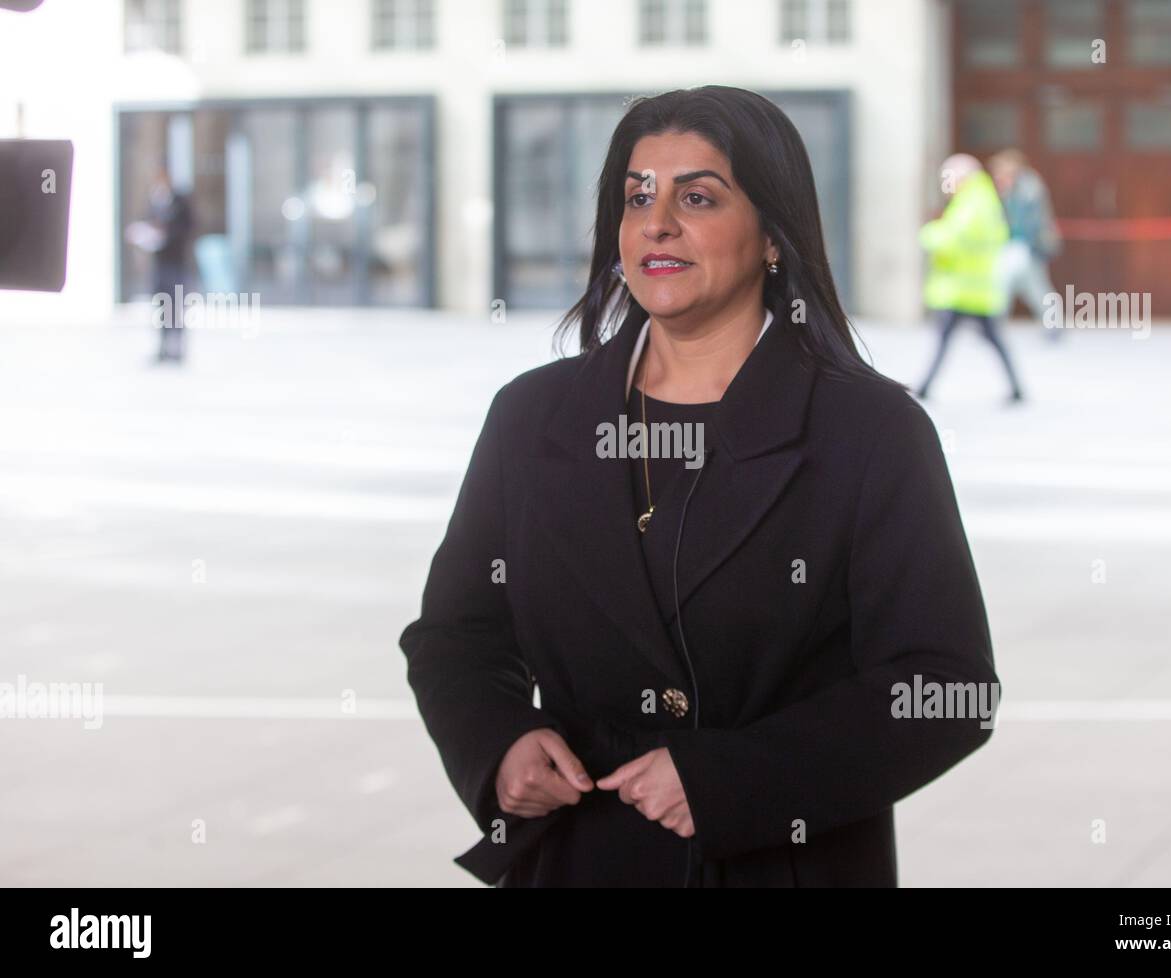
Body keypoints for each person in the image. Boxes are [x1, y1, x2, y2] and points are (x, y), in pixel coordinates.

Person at [399, 86, 1000, 888]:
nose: (657, 223)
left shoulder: (869, 431)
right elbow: (456, 637)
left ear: (773, 235)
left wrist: (731, 779)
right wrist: (498, 743)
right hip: (578, 864)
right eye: (637, 195)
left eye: (699, 197)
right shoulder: (532, 418)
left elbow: (948, 687)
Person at [914, 153, 1025, 404]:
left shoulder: (973, 202)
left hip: (963, 288)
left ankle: (925, 386)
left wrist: (929, 234)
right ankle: (1016, 388)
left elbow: (954, 237)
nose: (946, 186)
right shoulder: (980, 198)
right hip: (973, 289)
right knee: (987, 340)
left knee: (949, 340)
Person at [988, 148, 1063, 343]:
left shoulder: (1029, 188)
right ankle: (994, 325)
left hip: (1029, 246)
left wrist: (1028, 244)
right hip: (1011, 247)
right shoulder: (1004, 189)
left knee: (1037, 288)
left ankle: (1053, 326)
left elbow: (1031, 221)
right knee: (1002, 285)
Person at [146, 168, 193, 363]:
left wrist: (168, 235)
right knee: (161, 306)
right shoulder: (154, 201)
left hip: (176, 261)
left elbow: (189, 226)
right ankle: (163, 346)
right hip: (160, 262)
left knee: (176, 305)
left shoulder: (180, 201)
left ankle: (177, 347)